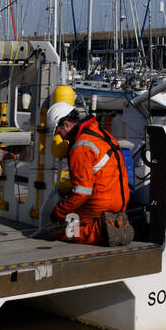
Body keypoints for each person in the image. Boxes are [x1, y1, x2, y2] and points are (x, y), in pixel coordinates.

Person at [45, 101, 130, 245]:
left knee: (62, 229)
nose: (62, 138)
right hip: (121, 201)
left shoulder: (81, 146)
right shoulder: (100, 133)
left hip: (101, 204)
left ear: (66, 124)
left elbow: (82, 193)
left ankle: (102, 231)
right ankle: (116, 223)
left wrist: (58, 211)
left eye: (59, 132)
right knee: (74, 216)